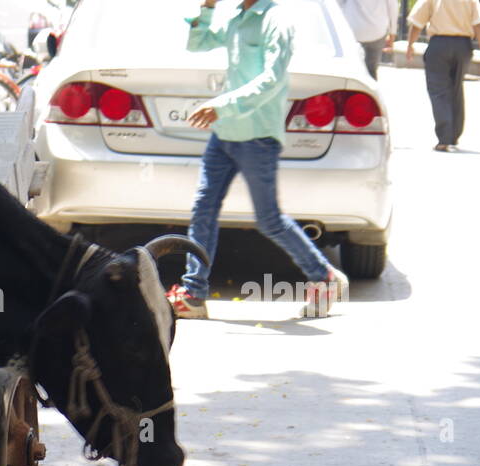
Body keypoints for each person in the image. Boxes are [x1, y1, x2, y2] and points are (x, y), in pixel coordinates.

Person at [166, 0, 348, 320]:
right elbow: (197, 43)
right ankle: (193, 293)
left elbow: (272, 79)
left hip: (258, 136)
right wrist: (207, 7)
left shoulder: (275, 20)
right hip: (224, 134)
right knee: (203, 209)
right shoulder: (238, 18)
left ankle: (324, 277)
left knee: (269, 220)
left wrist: (222, 105)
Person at [406, 0, 480, 150]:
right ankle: (454, 135)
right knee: (456, 89)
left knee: (438, 90)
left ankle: (444, 137)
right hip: (463, 45)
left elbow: (417, 22)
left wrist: (410, 44)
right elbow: (479, 24)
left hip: (439, 44)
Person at [338, 0, 397, 77]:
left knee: (352, 69)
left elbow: (338, 3)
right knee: (371, 70)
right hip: (377, 30)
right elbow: (393, 7)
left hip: (353, 29)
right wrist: (392, 34)